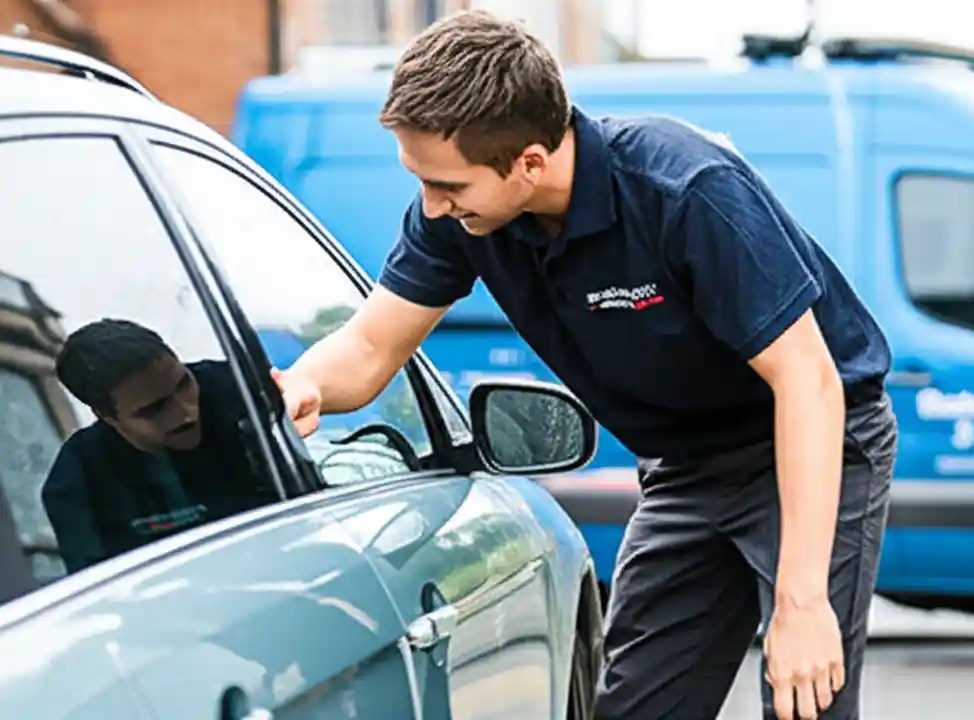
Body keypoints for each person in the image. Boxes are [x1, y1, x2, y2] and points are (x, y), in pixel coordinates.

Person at [272, 10, 897, 719]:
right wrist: (302, 386)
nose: (432, 206)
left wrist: (802, 601)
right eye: (420, 180)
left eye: (448, 186)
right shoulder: (464, 217)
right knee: (634, 707)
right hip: (686, 467)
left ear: (529, 162)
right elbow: (367, 347)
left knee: (803, 695)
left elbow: (808, 381)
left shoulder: (683, 189)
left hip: (807, 442)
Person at [41, 319, 274, 573]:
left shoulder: (246, 391)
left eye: (184, 384)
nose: (186, 413)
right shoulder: (78, 484)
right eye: (155, 409)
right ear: (107, 417)